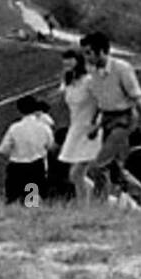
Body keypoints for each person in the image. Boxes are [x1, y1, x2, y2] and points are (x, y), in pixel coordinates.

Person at [81, 30, 141, 195]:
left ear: (101, 51)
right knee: (112, 166)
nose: (86, 57)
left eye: (89, 53)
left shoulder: (122, 68)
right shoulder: (93, 72)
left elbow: (138, 98)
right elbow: (99, 101)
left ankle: (100, 200)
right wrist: (95, 124)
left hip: (125, 119)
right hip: (107, 119)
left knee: (99, 163)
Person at [56, 48, 101, 203]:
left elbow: (103, 103)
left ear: (78, 61)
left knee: (76, 174)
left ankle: (83, 207)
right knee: (75, 174)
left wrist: (96, 123)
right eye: (65, 59)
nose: (67, 62)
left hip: (90, 130)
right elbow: (62, 98)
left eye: (71, 59)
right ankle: (89, 198)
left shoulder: (89, 81)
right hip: (75, 129)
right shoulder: (68, 82)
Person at [0, 96, 54, 206]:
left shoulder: (14, 128)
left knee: (12, 201)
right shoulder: (44, 127)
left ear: (19, 110)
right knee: (31, 203)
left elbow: (3, 149)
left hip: (16, 168)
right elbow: (51, 146)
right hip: (36, 167)